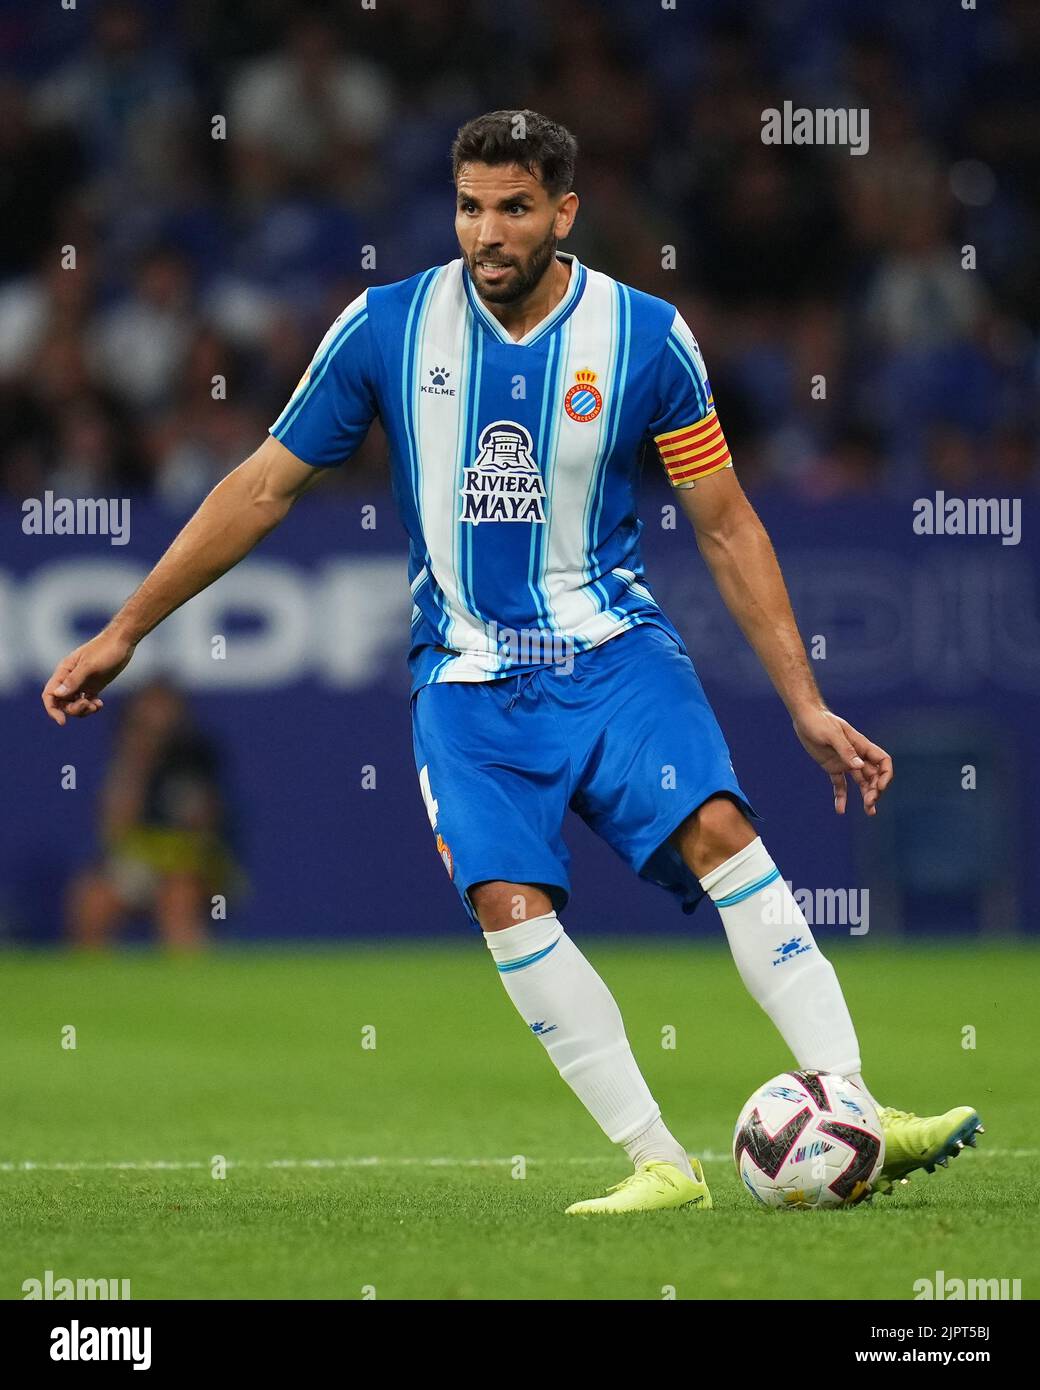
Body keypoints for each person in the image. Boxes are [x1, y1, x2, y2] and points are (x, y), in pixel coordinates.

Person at [41, 109, 981, 1213]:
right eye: (470, 207)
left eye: (514, 208)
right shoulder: (385, 328)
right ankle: (657, 1161)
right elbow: (260, 487)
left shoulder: (642, 335)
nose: (487, 232)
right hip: (469, 682)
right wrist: (125, 629)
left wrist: (804, 702)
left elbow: (724, 524)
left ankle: (854, 1109)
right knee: (506, 899)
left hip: (615, 654)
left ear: (562, 212)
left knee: (723, 831)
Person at [64, 679, 239, 951]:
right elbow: (114, 831)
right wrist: (137, 762)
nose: (156, 721)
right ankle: (93, 987)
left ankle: (194, 985)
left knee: (178, 896)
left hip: (190, 863)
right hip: (137, 864)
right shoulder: (127, 759)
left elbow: (203, 826)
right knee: (93, 898)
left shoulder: (197, 757)